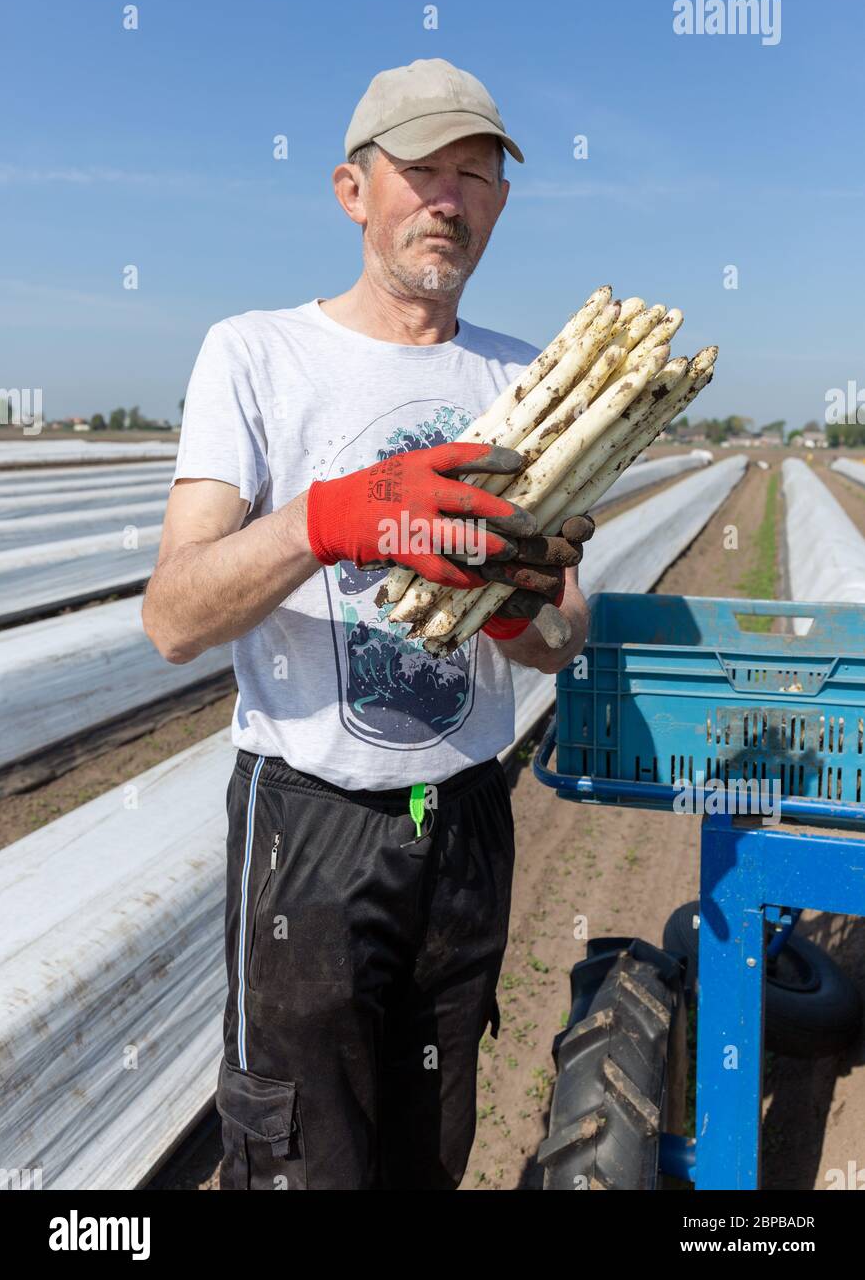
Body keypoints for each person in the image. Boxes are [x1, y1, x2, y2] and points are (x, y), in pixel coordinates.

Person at [143, 57, 593, 1190]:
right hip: (312, 835)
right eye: (421, 171)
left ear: (497, 203)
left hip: (465, 821)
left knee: (425, 1152)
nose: (447, 199)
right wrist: (332, 519)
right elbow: (172, 617)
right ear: (353, 191)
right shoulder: (255, 355)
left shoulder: (526, 379)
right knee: (301, 1156)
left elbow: (565, 635)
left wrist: (511, 605)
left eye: (475, 177)